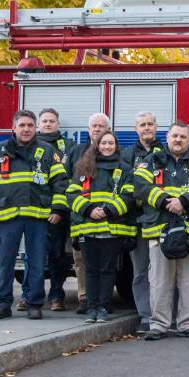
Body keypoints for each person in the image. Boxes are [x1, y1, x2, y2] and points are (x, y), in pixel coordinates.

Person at [0, 109, 68, 319]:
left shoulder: (47, 152)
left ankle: (34, 304)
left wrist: (58, 209)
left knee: (36, 263)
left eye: (29, 125)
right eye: (22, 125)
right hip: (7, 218)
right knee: (6, 263)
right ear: (13, 128)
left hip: (38, 218)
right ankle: (2, 305)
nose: (26, 129)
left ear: (35, 128)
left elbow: (61, 183)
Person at [134, 121, 189, 341]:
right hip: (159, 229)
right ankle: (159, 324)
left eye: (183, 137)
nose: (178, 140)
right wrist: (165, 202)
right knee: (159, 280)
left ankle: (187, 324)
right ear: (167, 138)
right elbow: (139, 187)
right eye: (174, 136)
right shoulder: (151, 160)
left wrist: (184, 201)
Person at [68, 130, 134, 324]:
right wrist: (89, 210)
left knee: (108, 270)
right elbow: (72, 193)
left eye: (110, 143)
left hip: (112, 228)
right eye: (103, 143)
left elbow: (129, 195)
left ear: (116, 146)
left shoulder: (124, 169)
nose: (107, 146)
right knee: (91, 270)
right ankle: (91, 308)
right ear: (96, 146)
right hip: (88, 227)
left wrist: (109, 211)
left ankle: (103, 307)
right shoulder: (83, 167)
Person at [122, 111, 164, 333]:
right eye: (142, 125)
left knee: (164, 271)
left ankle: (165, 314)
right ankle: (146, 316)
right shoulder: (127, 155)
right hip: (137, 222)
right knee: (140, 272)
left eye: (150, 124)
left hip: (161, 221)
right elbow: (124, 184)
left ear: (157, 127)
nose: (147, 128)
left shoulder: (165, 153)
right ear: (135, 129)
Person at [66, 113, 112, 314]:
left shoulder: (115, 154)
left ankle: (102, 301)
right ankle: (84, 298)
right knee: (81, 261)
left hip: (108, 221)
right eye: (93, 126)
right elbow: (67, 184)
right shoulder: (76, 152)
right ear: (88, 129)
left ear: (108, 130)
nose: (97, 129)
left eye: (101, 126)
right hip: (81, 218)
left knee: (105, 264)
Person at [36, 108, 74, 312]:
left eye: (52, 121)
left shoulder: (68, 146)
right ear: (38, 124)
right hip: (34, 210)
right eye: (44, 121)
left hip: (59, 212)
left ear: (58, 124)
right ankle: (30, 295)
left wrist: (58, 209)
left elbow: (68, 179)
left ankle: (56, 295)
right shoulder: (30, 146)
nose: (48, 124)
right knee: (33, 256)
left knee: (58, 255)